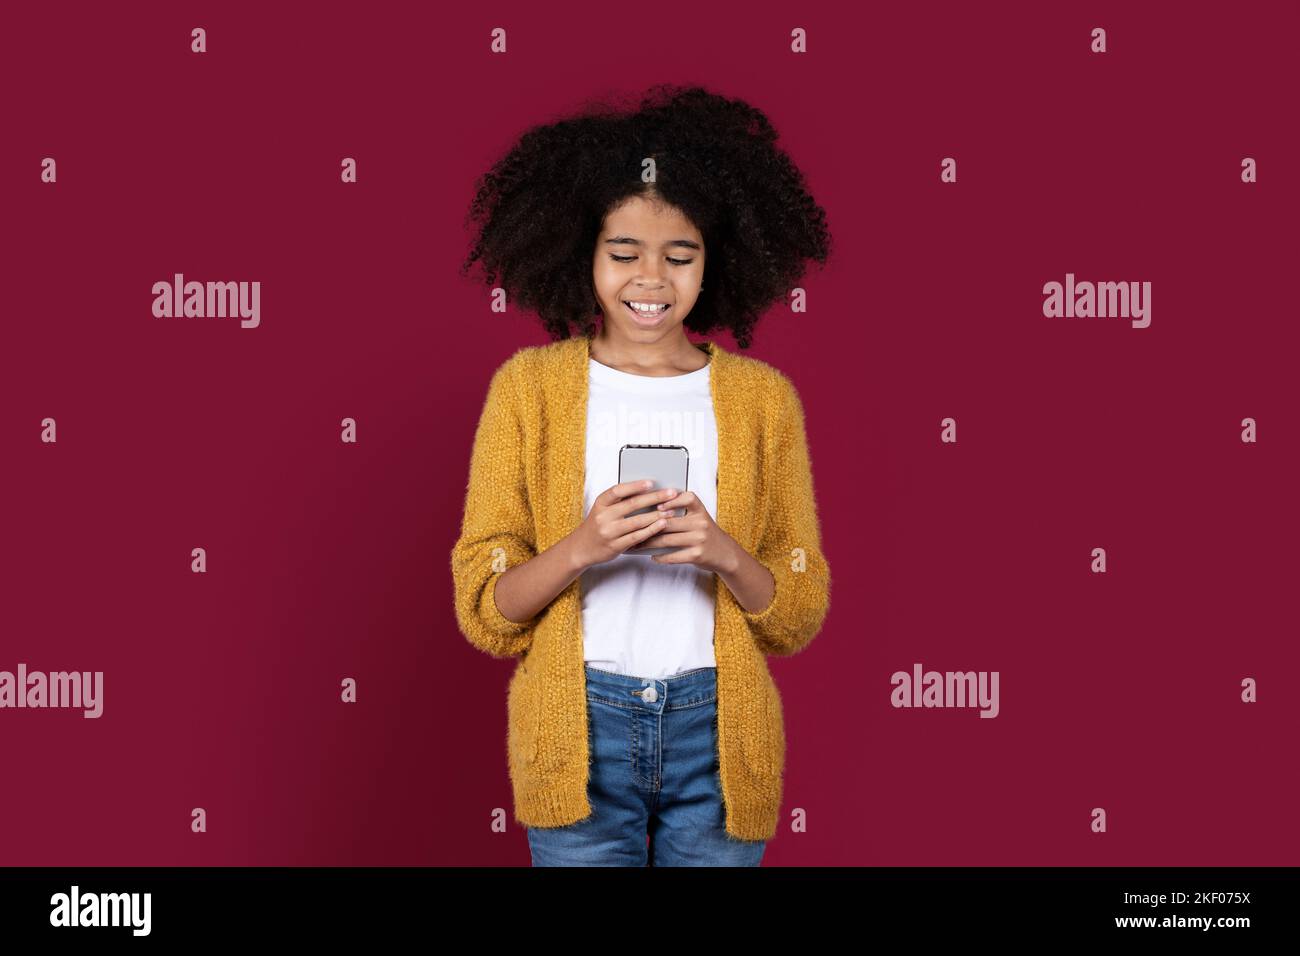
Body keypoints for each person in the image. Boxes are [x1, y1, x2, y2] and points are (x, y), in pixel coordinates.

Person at [452, 84, 833, 866]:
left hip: (719, 732)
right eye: (623, 253)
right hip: (577, 729)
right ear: (583, 253)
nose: (650, 278)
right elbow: (486, 611)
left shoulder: (764, 402)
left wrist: (725, 551)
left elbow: (796, 613)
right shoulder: (528, 390)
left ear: (713, 263)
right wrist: (583, 546)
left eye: (679, 255)